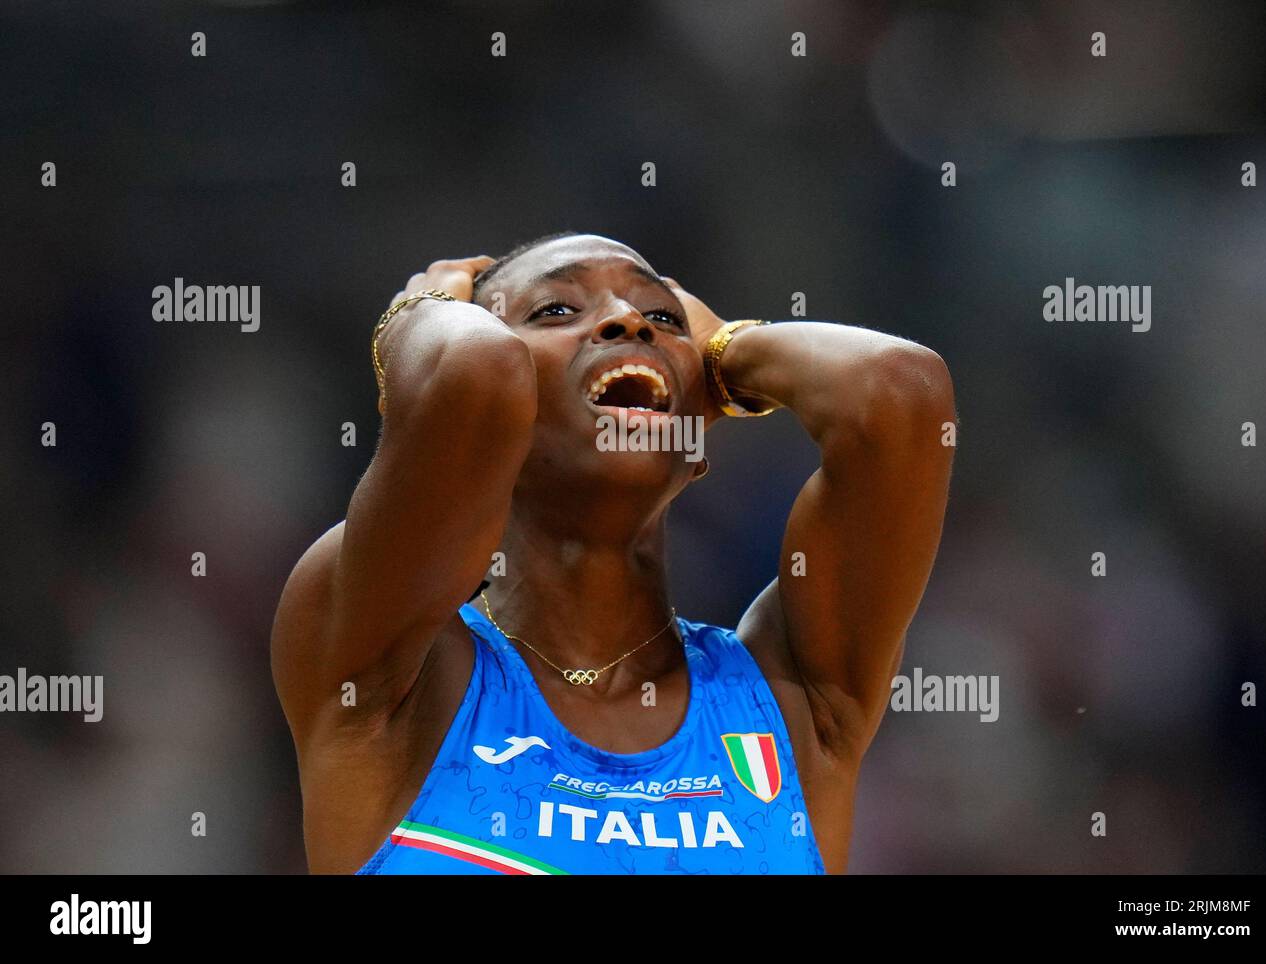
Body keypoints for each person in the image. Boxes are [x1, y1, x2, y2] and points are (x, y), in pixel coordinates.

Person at [270, 232, 955, 874]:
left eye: (661, 315)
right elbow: (471, 373)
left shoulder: (795, 698)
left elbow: (900, 391)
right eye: (555, 309)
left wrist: (723, 353)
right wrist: (422, 310)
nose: (629, 321)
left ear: (699, 449)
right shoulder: (389, 671)